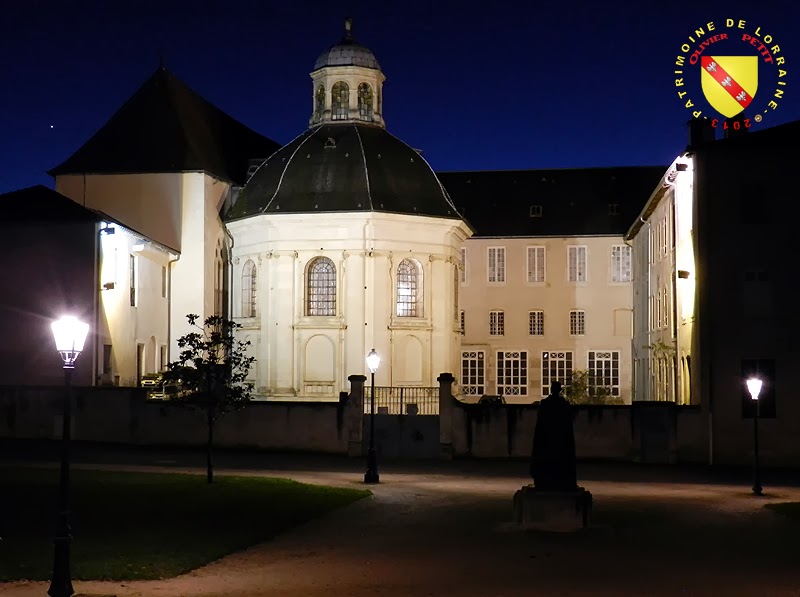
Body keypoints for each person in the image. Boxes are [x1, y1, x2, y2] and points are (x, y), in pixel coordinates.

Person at [530, 381, 577, 491]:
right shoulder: (563, 405)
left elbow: (540, 426)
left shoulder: (546, 404)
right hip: (559, 441)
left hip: (547, 440)